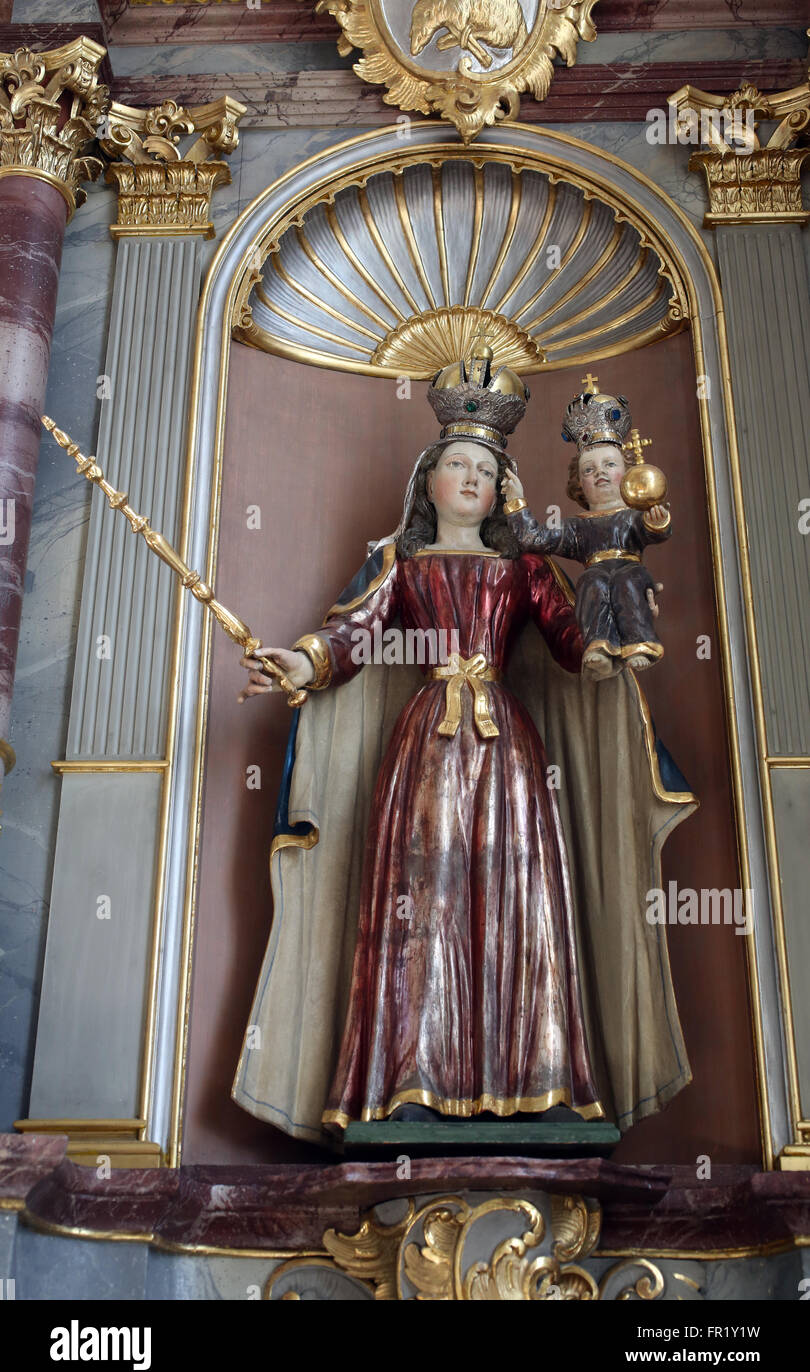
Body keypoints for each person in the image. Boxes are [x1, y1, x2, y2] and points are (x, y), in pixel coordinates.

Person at [232, 345, 696, 1146]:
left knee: (523, 897)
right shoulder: (400, 561)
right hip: (426, 747)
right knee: (427, 897)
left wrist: (601, 651)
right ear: (429, 480)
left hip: (509, 750)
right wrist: (300, 661)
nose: (474, 478)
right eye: (458, 463)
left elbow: (564, 635)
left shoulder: (521, 567)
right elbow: (354, 634)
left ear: (503, 488)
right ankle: (410, 1077)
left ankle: (542, 1074)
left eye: (487, 467)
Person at [501, 389, 670, 681]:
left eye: (610, 465)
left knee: (627, 580)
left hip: (630, 569)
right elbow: (533, 539)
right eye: (589, 470)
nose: (600, 473)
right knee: (591, 582)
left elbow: (654, 531)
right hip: (596, 570)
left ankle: (639, 642)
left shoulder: (633, 517)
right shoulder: (576, 527)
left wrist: (657, 521)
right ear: (579, 483)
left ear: (628, 473)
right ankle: (599, 647)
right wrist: (517, 502)